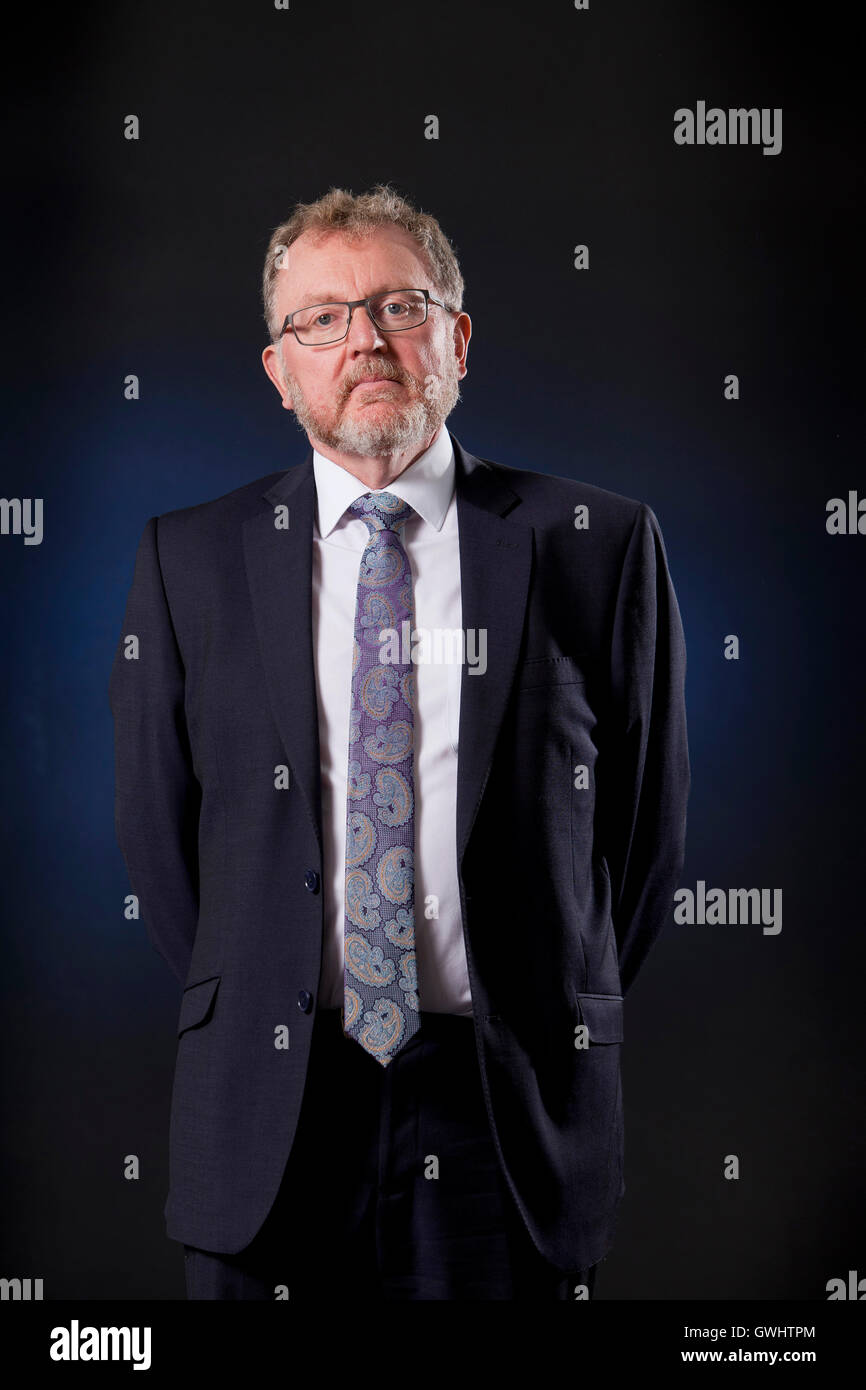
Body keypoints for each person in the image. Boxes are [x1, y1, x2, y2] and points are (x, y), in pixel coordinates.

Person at [109, 183, 690, 1301]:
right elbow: (162, 843)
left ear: (456, 340)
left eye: (398, 305)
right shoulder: (189, 559)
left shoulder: (595, 545)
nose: (363, 338)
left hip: (504, 1113)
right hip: (269, 1110)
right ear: (279, 372)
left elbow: (640, 845)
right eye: (319, 317)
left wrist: (537, 996)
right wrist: (272, 986)